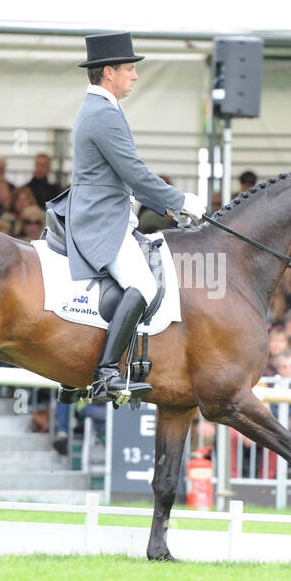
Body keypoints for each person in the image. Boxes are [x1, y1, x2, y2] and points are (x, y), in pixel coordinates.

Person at [45, 33, 204, 404]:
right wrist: (181, 199)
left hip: (106, 208)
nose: (135, 76)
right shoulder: (103, 113)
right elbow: (133, 172)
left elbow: (123, 176)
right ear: (108, 72)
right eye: (129, 69)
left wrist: (166, 207)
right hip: (101, 219)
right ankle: (104, 373)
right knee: (144, 286)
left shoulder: (103, 109)